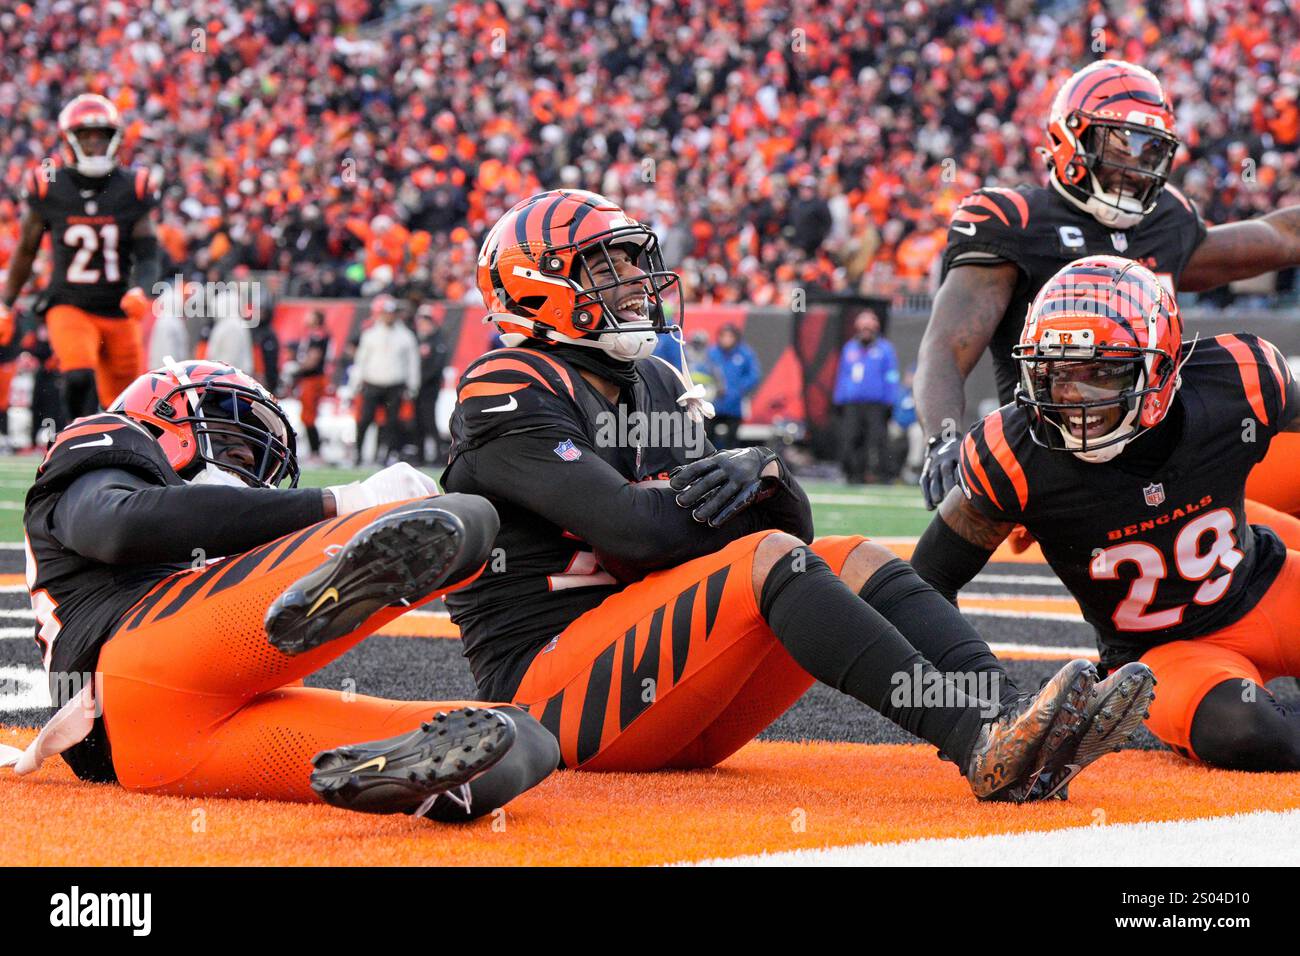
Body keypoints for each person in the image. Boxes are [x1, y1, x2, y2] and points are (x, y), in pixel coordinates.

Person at [442, 188, 1154, 803]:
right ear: (538, 283)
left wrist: (767, 474)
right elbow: (637, 534)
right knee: (768, 561)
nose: (633, 278)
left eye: (632, 259)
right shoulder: (506, 384)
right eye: (608, 264)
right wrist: (727, 510)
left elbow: (790, 527)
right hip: (549, 698)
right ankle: (979, 744)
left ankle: (1012, 715)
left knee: (849, 555)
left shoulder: (653, 383)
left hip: (661, 693)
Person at [1, 359, 556, 821]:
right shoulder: (111, 444)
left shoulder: (199, 523)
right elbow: (118, 525)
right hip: (139, 651)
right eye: (239, 455)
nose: (249, 482)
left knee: (516, 738)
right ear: (164, 421)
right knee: (463, 518)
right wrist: (339, 502)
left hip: (153, 750)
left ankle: (395, 774)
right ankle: (334, 587)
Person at [912, 256, 1300, 771]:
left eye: (1101, 373)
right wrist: (984, 706)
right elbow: (926, 584)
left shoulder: (1241, 380)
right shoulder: (1017, 456)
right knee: (1251, 734)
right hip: (1164, 653)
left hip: (1265, 587)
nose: (1074, 397)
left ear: (1161, 366)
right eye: (1056, 373)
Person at [915, 60, 1300, 529]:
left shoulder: (1164, 224)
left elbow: (1280, 236)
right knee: (1263, 539)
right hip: (1061, 465)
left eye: (1151, 150)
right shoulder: (1016, 221)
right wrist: (944, 437)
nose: (1135, 165)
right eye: (1122, 142)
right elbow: (945, 348)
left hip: (1162, 462)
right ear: (1070, 138)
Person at [0, 95, 161, 419]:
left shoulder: (132, 187)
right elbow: (27, 249)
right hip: (69, 304)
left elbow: (148, 253)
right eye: (86, 135)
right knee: (77, 375)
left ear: (114, 139)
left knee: (130, 406)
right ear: (70, 139)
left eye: (101, 136)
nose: (94, 143)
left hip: (118, 309)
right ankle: (74, 442)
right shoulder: (50, 186)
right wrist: (5, 303)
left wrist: (142, 289)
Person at [832, 310, 899, 484]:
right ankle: (854, 474)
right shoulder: (850, 348)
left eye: (869, 327)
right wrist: (839, 398)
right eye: (863, 327)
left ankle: (884, 475)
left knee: (878, 440)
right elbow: (843, 375)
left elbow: (891, 376)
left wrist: (890, 399)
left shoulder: (884, 349)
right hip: (853, 402)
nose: (866, 331)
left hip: (876, 403)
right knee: (852, 438)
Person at [352, 294, 419, 466]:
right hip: (372, 383)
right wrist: (355, 382)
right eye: (386, 313)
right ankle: (358, 453)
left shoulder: (406, 336)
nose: (389, 316)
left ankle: (385, 455)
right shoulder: (370, 334)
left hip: (394, 385)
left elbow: (412, 363)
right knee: (364, 420)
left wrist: (413, 385)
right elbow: (361, 360)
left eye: (392, 313)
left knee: (391, 424)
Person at [707, 323, 760, 450]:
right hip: (713, 404)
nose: (726, 339)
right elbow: (703, 372)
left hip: (734, 405)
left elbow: (753, 375)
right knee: (708, 437)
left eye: (730, 336)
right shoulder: (712, 353)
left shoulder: (745, 354)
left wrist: (739, 388)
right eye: (724, 336)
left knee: (731, 440)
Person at [414, 304, 450, 466]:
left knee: (429, 421)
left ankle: (436, 456)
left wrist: (419, 381)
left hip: (429, 388)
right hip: (418, 387)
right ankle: (420, 455)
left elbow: (436, 367)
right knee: (419, 422)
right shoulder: (420, 338)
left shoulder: (437, 340)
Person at [294, 310, 331, 462]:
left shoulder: (318, 335)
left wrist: (297, 368)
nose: (306, 317)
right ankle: (314, 451)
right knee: (307, 417)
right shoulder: (313, 334)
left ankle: (315, 451)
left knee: (309, 417)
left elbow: (314, 358)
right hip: (310, 378)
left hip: (313, 379)